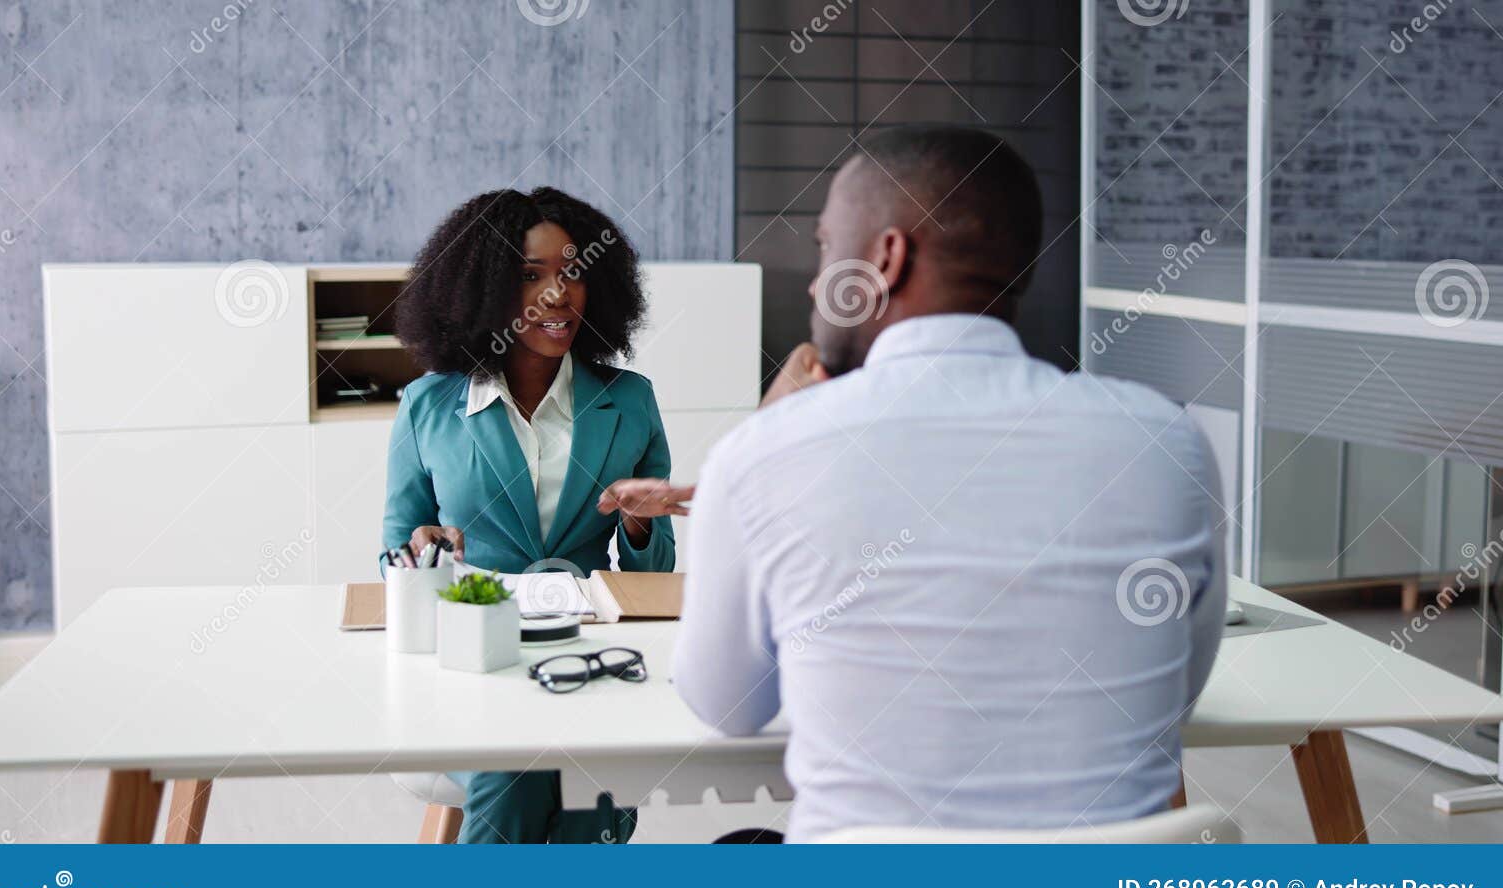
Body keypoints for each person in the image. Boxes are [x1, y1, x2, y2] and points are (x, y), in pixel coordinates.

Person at [673, 125, 1227, 843]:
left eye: (824, 248)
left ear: (886, 257)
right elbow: (1176, 695)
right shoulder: (1167, 444)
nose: (815, 283)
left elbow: (725, 705)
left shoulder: (763, 453)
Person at [384, 186, 692, 843]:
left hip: (587, 659)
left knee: (593, 786)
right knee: (520, 761)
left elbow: (655, 577)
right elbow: (393, 558)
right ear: (485, 288)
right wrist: (421, 551)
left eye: (574, 272)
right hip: (473, 664)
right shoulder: (428, 407)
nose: (560, 294)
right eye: (531, 275)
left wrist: (639, 523)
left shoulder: (630, 403)